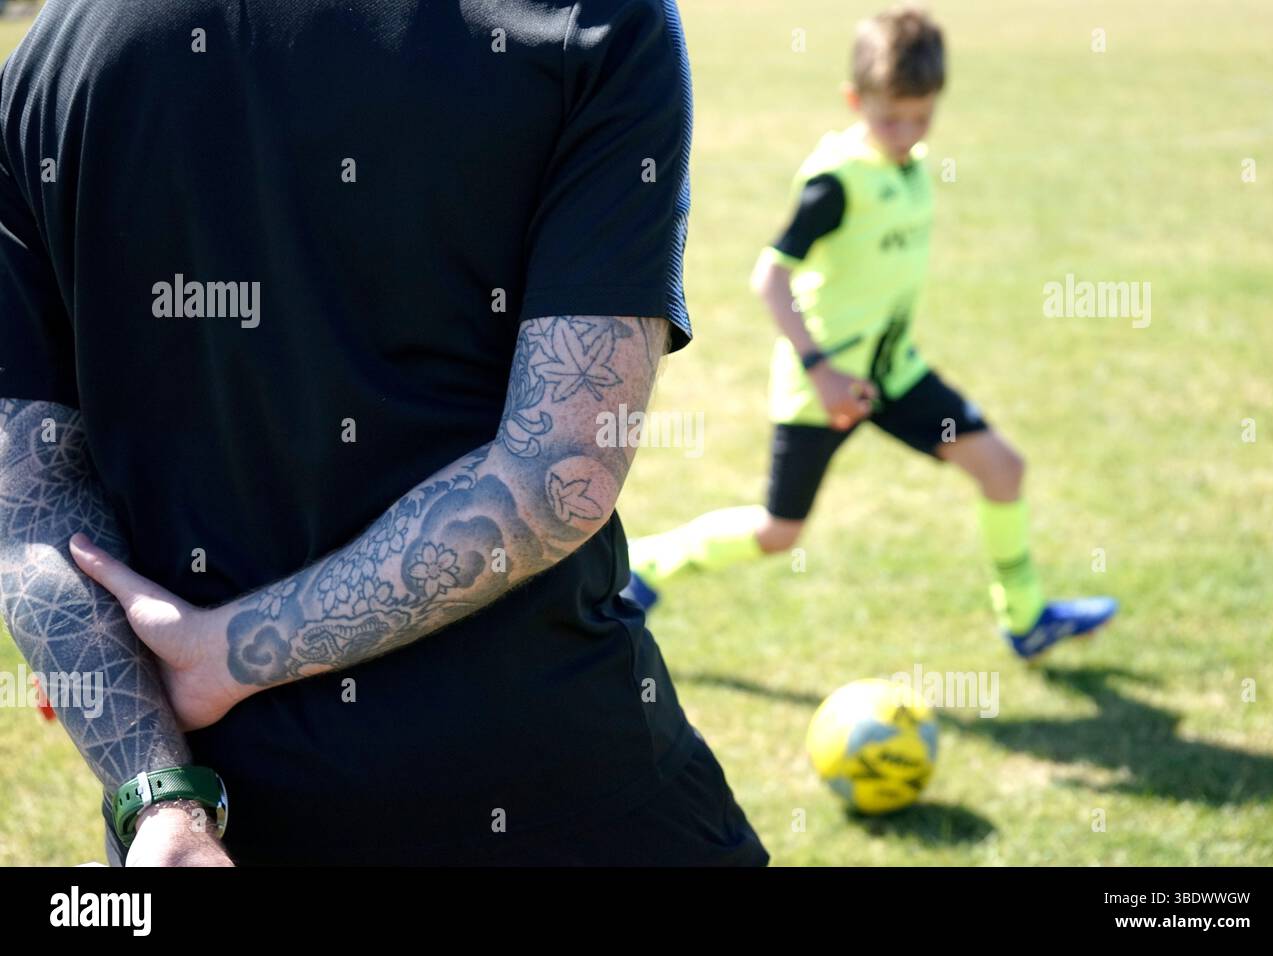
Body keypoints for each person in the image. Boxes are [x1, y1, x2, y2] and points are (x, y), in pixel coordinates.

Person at [0, 0, 767, 866]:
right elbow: (562, 474)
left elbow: (31, 505)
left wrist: (161, 803)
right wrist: (222, 658)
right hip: (552, 787)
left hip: (211, 828)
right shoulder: (591, 19)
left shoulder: (47, 60)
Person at [622, 7, 1117, 660]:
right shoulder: (836, 181)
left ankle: (1025, 620)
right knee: (779, 533)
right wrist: (822, 371)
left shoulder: (910, 165)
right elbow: (769, 276)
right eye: (891, 117)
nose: (907, 132)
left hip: (892, 376)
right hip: (823, 384)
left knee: (1003, 469)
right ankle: (649, 565)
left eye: (922, 115)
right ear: (855, 101)